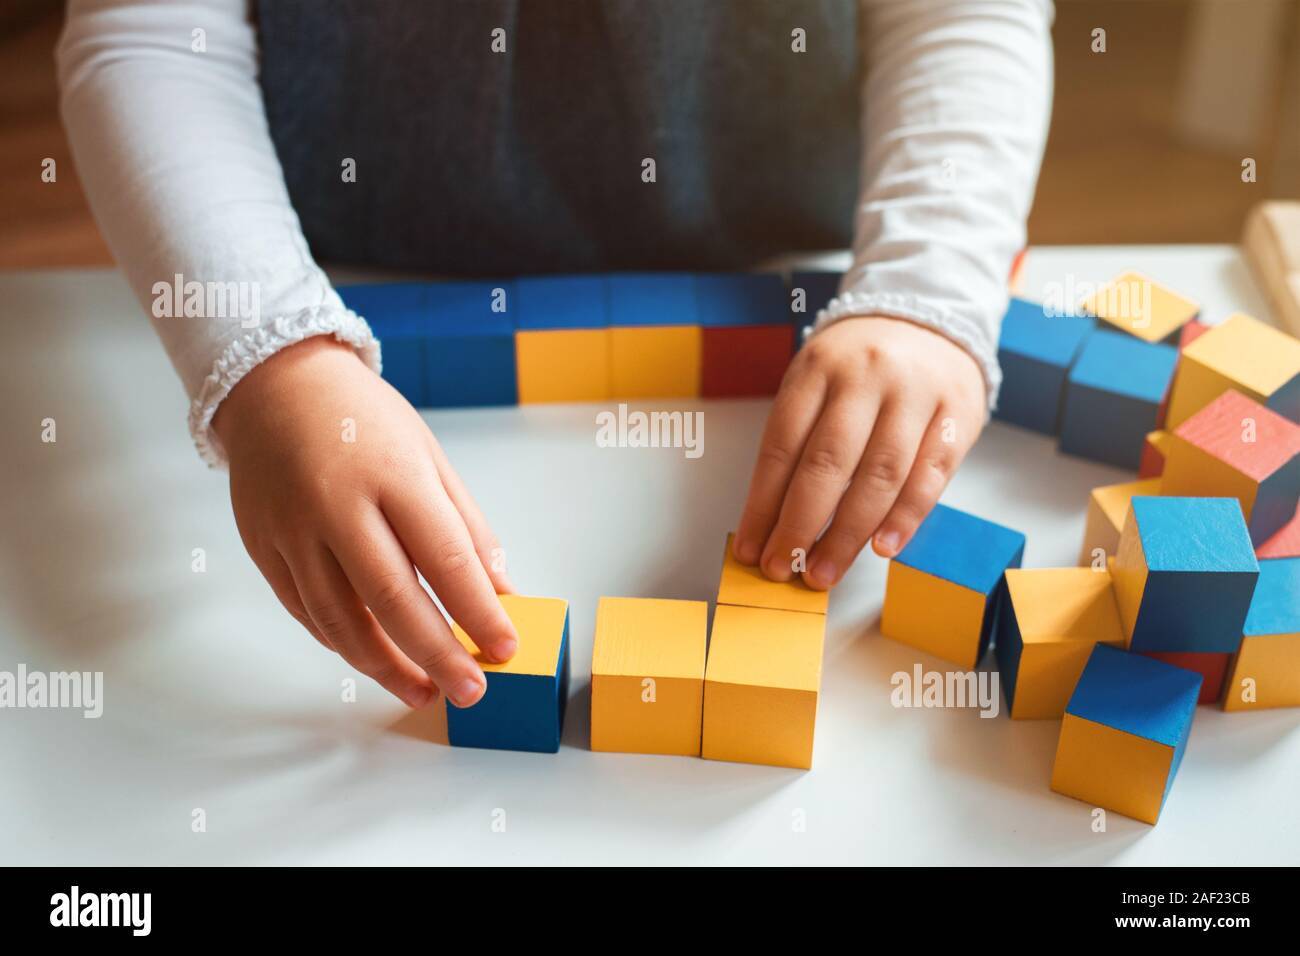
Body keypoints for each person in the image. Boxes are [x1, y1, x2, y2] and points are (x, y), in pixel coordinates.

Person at [57, 0, 1053, 710]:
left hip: (781, 249)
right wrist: (264, 352)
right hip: (331, 254)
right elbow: (148, 33)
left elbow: (968, 15)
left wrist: (929, 288)